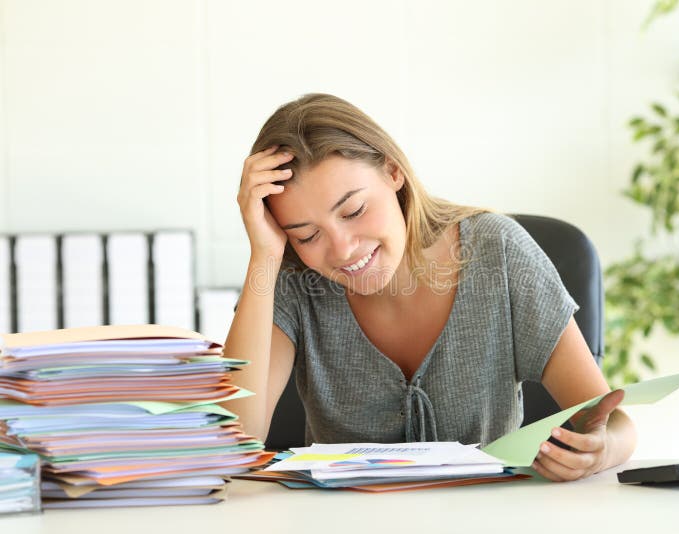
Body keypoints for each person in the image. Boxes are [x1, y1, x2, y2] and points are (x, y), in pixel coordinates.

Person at [224, 93, 636, 482]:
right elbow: (232, 449)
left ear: (392, 171)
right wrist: (263, 254)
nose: (342, 249)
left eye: (353, 210)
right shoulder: (293, 280)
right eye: (307, 235)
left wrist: (602, 449)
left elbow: (613, 422)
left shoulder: (498, 253)